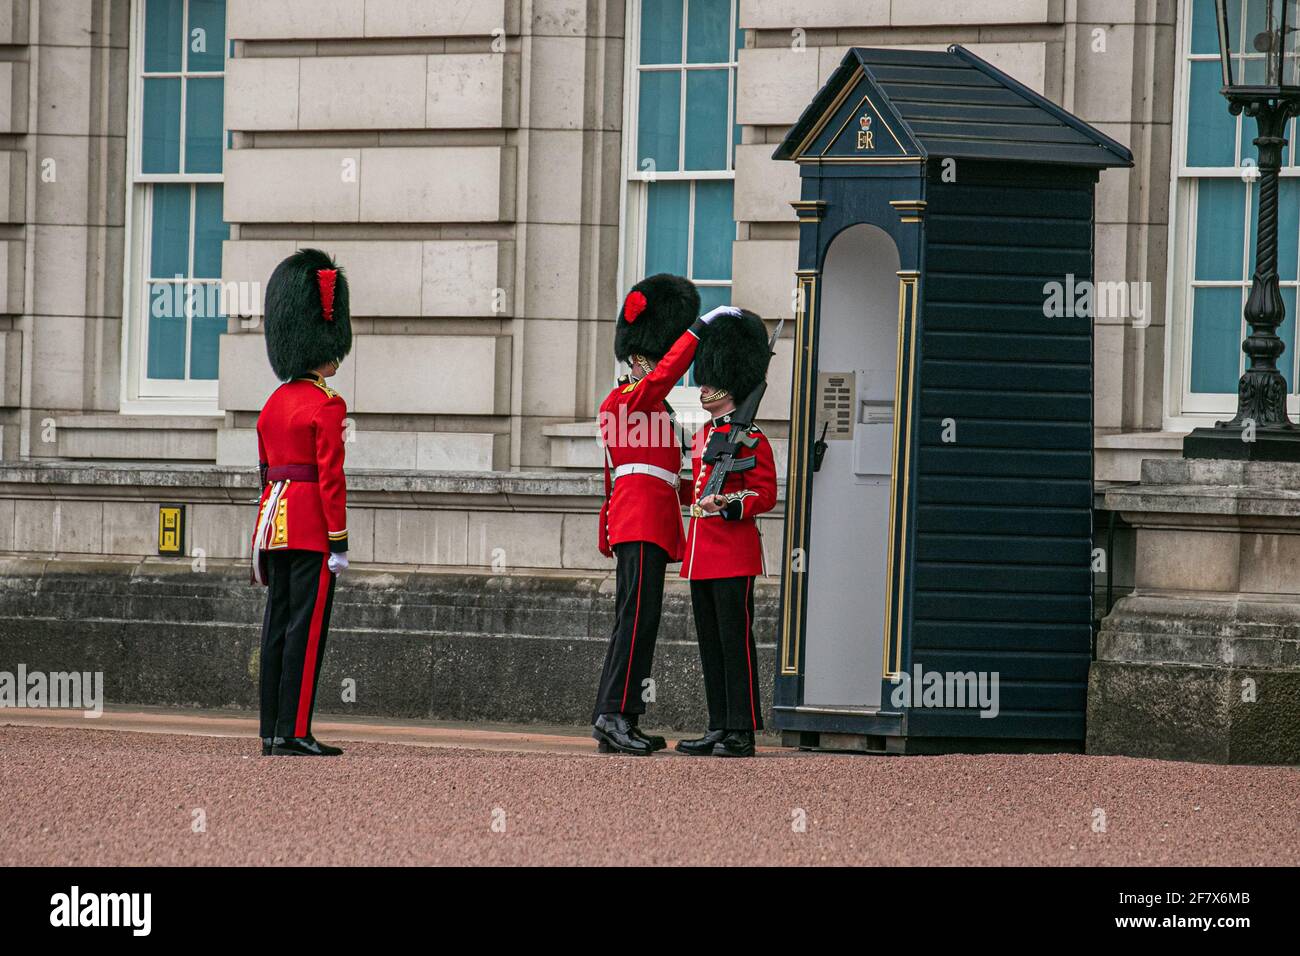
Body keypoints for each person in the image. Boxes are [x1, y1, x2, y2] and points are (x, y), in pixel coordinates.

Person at [592, 273, 730, 755]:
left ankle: (621, 714)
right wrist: (695, 331)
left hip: (650, 515)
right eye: (650, 357)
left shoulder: (653, 404)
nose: (653, 366)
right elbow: (662, 380)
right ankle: (612, 714)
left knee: (640, 618)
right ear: (636, 358)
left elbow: (668, 471)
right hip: (639, 518)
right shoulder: (627, 397)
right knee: (636, 618)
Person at [252, 248, 352, 757]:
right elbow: (331, 478)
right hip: (312, 526)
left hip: (274, 524)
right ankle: (296, 730)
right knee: (306, 631)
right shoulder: (326, 405)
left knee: (275, 625)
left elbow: (265, 472)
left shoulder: (273, 403)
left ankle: (271, 729)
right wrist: (339, 540)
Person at [676, 309, 777, 758]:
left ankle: (742, 729)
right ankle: (717, 723)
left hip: (733, 550)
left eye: (709, 380)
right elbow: (694, 486)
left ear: (730, 386)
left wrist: (730, 504)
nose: (702, 388)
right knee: (711, 644)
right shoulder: (702, 437)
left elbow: (766, 494)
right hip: (701, 553)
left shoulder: (752, 438)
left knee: (736, 642)